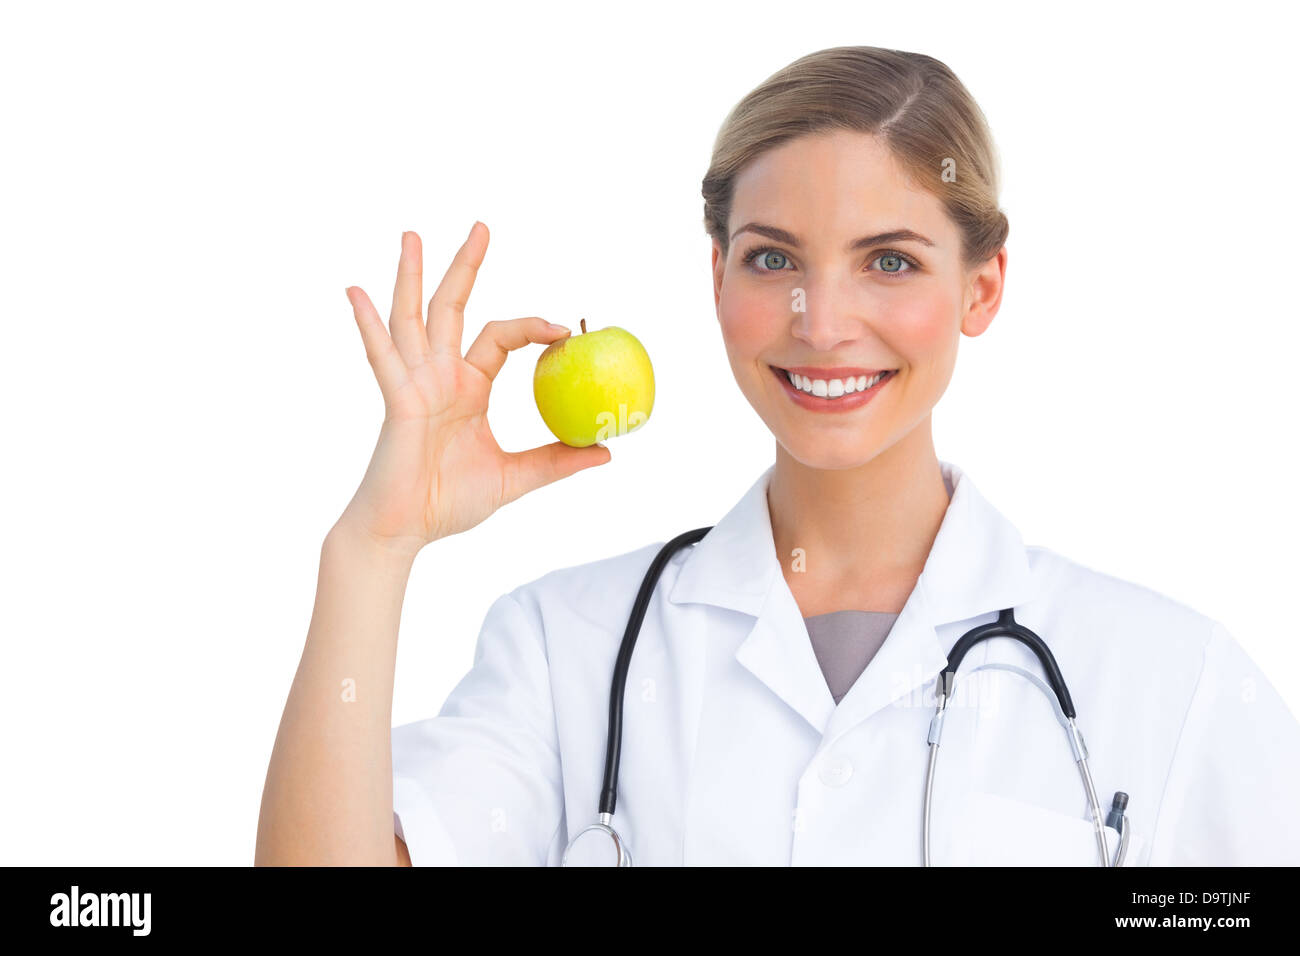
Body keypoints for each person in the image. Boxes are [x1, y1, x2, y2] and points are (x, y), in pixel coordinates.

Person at [254, 45, 1300, 866]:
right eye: (773, 258)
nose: (822, 319)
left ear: (981, 287)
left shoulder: (1169, 676)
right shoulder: (566, 650)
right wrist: (373, 548)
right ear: (716, 277)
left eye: (888, 259)